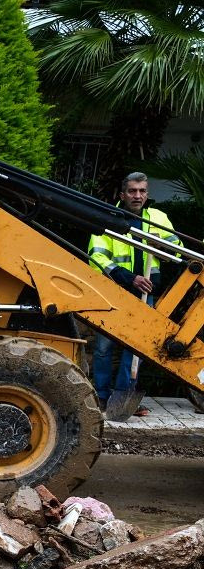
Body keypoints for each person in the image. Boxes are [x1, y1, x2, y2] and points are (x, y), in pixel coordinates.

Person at [88, 171, 177, 412]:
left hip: (146, 293)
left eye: (142, 191)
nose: (137, 196)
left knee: (136, 347)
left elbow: (178, 251)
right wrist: (130, 278)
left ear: (147, 194)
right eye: (132, 191)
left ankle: (124, 399)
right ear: (122, 194)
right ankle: (101, 397)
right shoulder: (108, 217)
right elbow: (96, 257)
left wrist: (163, 245)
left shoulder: (158, 218)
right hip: (113, 291)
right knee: (104, 347)